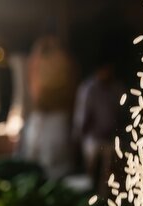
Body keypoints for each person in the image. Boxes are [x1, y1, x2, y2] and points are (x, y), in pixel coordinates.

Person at [19, 36, 77, 179]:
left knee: (54, 165)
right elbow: (32, 90)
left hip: (56, 116)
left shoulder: (61, 61)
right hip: (40, 115)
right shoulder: (37, 61)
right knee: (33, 160)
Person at [73, 59, 126, 195]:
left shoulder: (116, 87)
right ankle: (94, 193)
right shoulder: (89, 89)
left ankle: (108, 194)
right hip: (93, 138)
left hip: (112, 137)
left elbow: (120, 115)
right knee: (97, 163)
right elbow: (83, 119)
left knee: (113, 160)